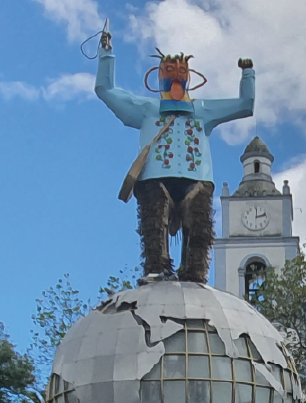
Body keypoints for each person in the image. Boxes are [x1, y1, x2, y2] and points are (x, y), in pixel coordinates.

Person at [94, 26, 255, 283]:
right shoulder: (147, 109)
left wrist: (248, 74)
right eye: (169, 71)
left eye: (181, 71)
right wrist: (106, 54)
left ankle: (194, 273)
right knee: (154, 220)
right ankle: (156, 268)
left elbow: (245, 105)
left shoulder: (203, 110)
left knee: (200, 224)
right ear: (158, 77)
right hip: (155, 177)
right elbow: (106, 90)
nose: (176, 77)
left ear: (190, 76)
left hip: (198, 178)